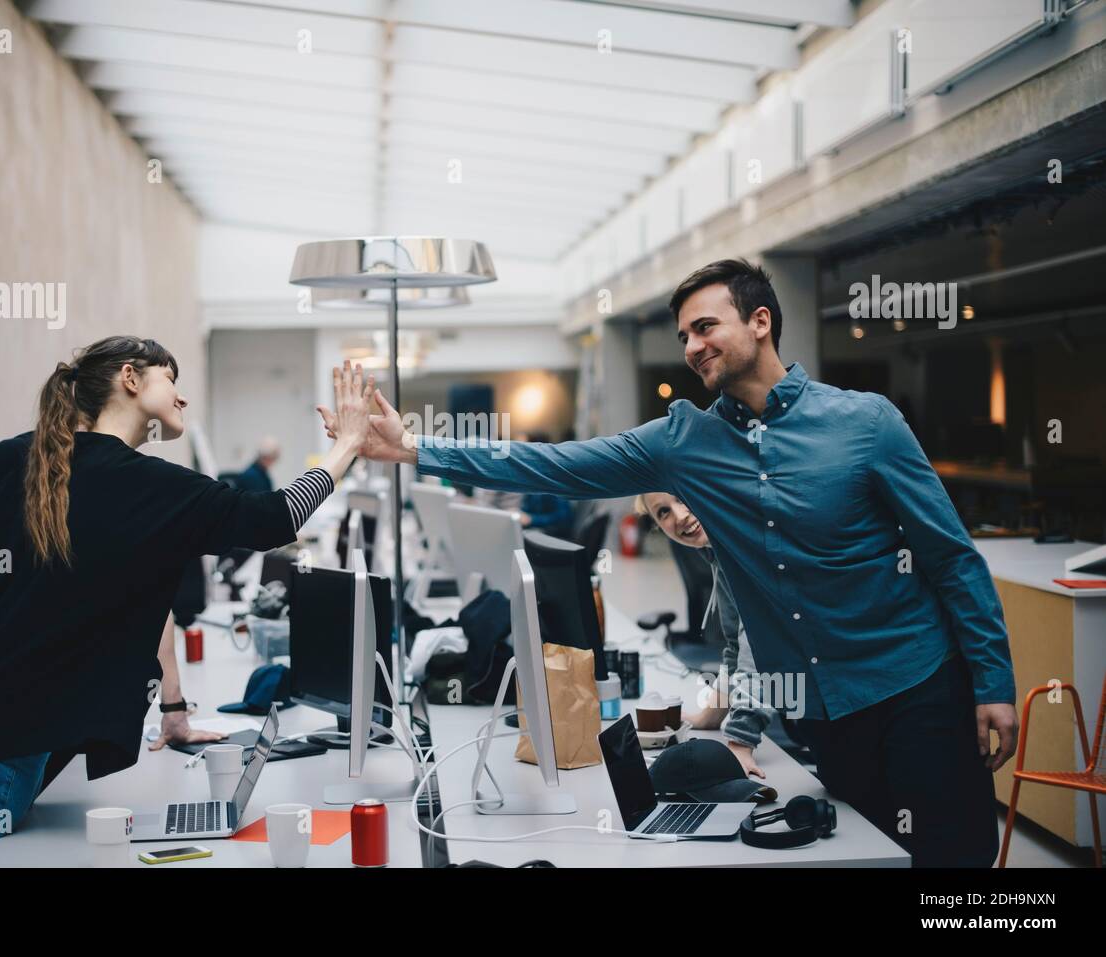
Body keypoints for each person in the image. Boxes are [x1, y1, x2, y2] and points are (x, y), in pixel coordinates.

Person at [322, 259, 1018, 868]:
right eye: (683, 334)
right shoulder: (683, 441)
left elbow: (950, 557)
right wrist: (414, 447)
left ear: (762, 322)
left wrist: (993, 681)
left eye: (705, 326)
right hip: (822, 717)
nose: (691, 345)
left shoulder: (866, 424)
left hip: (916, 686)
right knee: (867, 856)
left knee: (951, 863)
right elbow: (553, 463)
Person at [0, 337, 376, 866]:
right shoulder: (150, 485)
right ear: (131, 378)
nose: (182, 397)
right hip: (1, 742)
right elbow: (273, 517)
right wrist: (346, 446)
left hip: (0, 728)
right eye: (170, 378)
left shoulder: (36, 464)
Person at [636, 492, 769, 779]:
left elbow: (760, 647)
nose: (679, 516)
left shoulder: (745, 547)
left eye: (682, 498)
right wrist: (711, 716)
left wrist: (740, 742)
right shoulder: (720, 553)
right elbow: (735, 644)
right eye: (663, 513)